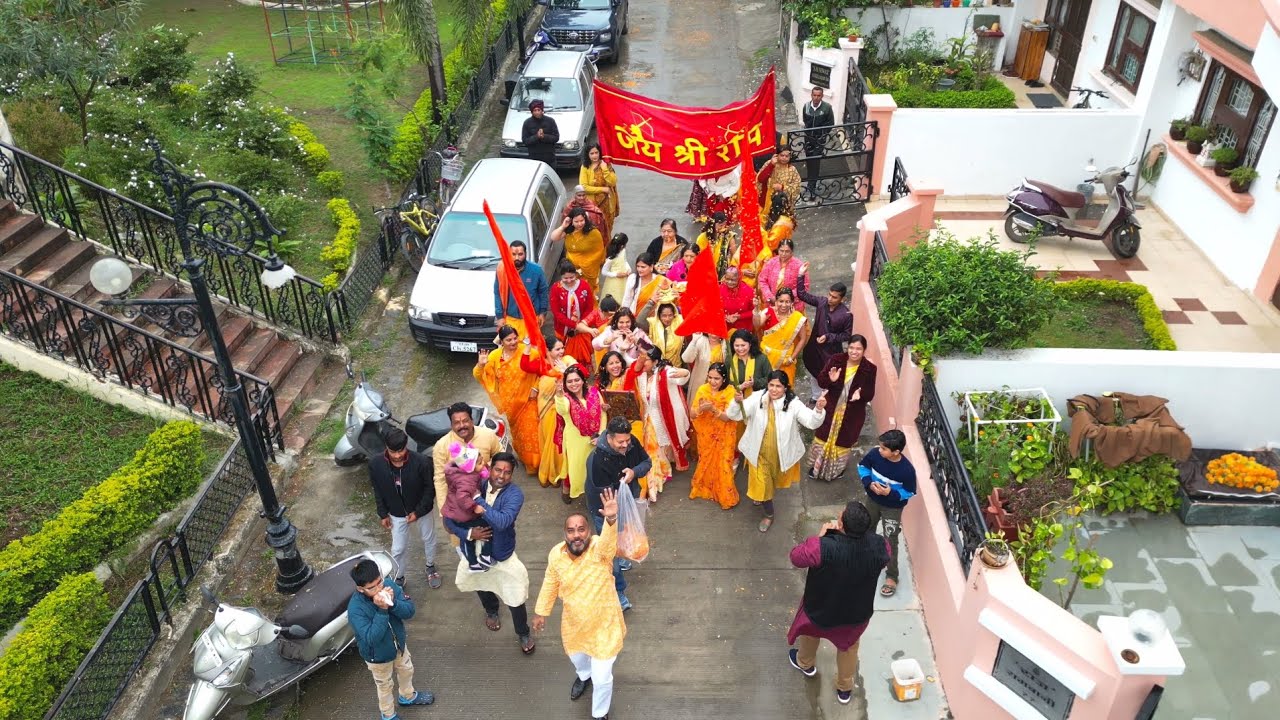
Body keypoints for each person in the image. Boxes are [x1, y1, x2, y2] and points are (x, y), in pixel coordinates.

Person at [533, 488, 627, 720]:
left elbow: (608, 543)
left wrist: (611, 519)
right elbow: (550, 581)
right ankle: (584, 677)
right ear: (565, 533)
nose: (577, 535)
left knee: (603, 677)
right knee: (578, 659)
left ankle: (599, 713)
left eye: (581, 529)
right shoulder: (556, 554)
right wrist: (541, 612)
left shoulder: (599, 550)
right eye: (571, 530)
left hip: (605, 628)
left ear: (589, 532)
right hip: (574, 625)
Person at [786, 500, 890, 705]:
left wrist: (820, 536)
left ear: (841, 525)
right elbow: (885, 557)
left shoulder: (821, 547)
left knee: (810, 635)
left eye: (840, 516)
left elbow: (796, 557)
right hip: (855, 614)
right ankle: (844, 689)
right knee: (849, 649)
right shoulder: (880, 546)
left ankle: (805, 663)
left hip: (820, 609)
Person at [455, 451, 537, 655]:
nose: (501, 475)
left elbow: (502, 522)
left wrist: (478, 501)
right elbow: (451, 520)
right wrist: (468, 533)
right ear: (489, 469)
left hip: (502, 554)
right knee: (481, 585)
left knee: (515, 595)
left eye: (507, 472)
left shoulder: (515, 494)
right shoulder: (476, 484)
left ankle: (523, 632)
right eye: (498, 470)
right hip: (476, 549)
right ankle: (491, 610)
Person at [729, 371, 826, 532]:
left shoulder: (793, 403)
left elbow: (811, 422)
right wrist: (736, 402)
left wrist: (818, 410)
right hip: (758, 454)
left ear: (785, 388)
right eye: (771, 385)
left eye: (778, 386)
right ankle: (769, 515)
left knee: (770, 484)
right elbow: (736, 415)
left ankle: (761, 497)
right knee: (763, 485)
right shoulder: (757, 397)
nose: (774, 390)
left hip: (780, 455)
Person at [348, 559, 434, 719]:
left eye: (379, 582)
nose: (379, 588)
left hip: (399, 646)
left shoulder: (390, 585)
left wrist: (393, 602)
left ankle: (407, 696)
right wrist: (382, 610)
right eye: (371, 587)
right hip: (377, 657)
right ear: (360, 589)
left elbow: (410, 611)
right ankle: (388, 714)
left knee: (407, 670)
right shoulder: (355, 609)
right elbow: (371, 638)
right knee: (385, 686)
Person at [433, 402, 505, 588]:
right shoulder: (442, 446)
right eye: (456, 422)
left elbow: (502, 460)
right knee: (469, 557)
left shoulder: (488, 437)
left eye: (465, 420)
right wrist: (444, 515)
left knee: (493, 549)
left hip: (487, 507)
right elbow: (440, 480)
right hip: (460, 514)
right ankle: (488, 604)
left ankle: (496, 586)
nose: (462, 425)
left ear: (472, 420)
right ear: (451, 425)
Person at [585, 417, 651, 610]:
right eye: (620, 442)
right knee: (609, 551)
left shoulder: (631, 444)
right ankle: (618, 591)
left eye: (627, 441)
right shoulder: (597, 460)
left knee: (624, 535)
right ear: (610, 438)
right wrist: (614, 516)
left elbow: (646, 462)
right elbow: (607, 497)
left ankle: (622, 557)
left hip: (628, 497)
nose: (625, 445)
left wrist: (634, 471)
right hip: (605, 508)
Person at [368, 428, 437, 591]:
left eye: (401, 450)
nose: (397, 455)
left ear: (407, 445)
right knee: (397, 549)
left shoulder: (422, 462)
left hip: (422, 509)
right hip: (396, 512)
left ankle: (430, 566)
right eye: (393, 451)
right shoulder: (375, 464)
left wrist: (418, 512)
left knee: (429, 538)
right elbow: (377, 489)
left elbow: (429, 490)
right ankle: (399, 576)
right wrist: (383, 513)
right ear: (386, 447)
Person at [810, 335, 878, 481]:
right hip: (831, 408)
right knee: (823, 437)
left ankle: (836, 471)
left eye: (858, 349)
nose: (854, 352)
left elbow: (870, 394)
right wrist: (831, 379)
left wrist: (861, 394)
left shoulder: (870, 369)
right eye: (851, 348)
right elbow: (822, 381)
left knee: (842, 442)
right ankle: (816, 468)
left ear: (864, 350)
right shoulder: (836, 360)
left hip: (851, 414)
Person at [859, 429, 917, 598]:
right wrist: (869, 484)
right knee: (866, 529)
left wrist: (890, 494)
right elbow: (863, 467)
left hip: (892, 508)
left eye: (884, 449)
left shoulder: (907, 470)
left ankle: (892, 576)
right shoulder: (874, 455)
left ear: (896, 452)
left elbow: (910, 492)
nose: (879, 450)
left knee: (890, 539)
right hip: (872, 501)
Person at [474, 325, 540, 472]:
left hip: (529, 401)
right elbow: (481, 377)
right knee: (519, 435)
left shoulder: (529, 352)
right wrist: (480, 365)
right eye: (508, 340)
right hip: (510, 405)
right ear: (501, 341)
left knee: (532, 433)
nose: (513, 342)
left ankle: (536, 464)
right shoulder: (494, 357)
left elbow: (542, 372)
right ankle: (525, 460)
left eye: (515, 338)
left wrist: (536, 387)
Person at [635, 345, 690, 502]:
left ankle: (653, 485)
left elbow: (683, 376)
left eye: (645, 360)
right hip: (648, 419)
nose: (642, 362)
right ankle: (654, 480)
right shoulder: (642, 375)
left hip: (664, 419)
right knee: (654, 452)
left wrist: (685, 372)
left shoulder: (665, 372)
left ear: (655, 362)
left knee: (653, 452)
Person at [688, 362, 740, 509]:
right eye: (710, 377)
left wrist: (712, 409)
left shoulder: (730, 392)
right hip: (706, 435)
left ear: (724, 379)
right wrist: (700, 409)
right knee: (706, 460)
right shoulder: (702, 389)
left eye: (716, 378)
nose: (712, 381)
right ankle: (707, 489)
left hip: (725, 435)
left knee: (723, 464)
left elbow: (728, 417)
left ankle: (726, 497)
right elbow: (692, 414)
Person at [526, 338, 575, 488]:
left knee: (558, 442)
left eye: (562, 348)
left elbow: (579, 378)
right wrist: (528, 346)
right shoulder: (544, 363)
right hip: (545, 407)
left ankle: (559, 472)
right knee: (548, 440)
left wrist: (564, 371)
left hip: (561, 407)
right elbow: (528, 367)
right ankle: (549, 473)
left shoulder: (567, 361)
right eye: (557, 349)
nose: (561, 352)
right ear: (549, 351)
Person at [797, 269, 852, 402]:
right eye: (829, 295)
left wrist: (828, 337)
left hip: (830, 352)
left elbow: (846, 335)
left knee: (828, 376)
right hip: (814, 348)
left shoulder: (846, 315)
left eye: (834, 297)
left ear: (842, 299)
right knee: (813, 371)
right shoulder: (821, 303)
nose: (830, 299)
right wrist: (800, 275)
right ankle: (816, 397)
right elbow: (802, 295)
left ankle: (827, 400)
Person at [555, 364, 606, 504]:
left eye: (576, 380)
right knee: (576, 467)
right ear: (565, 384)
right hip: (574, 439)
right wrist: (559, 394)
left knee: (594, 467)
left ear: (583, 380)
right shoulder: (564, 398)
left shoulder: (594, 392)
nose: (574, 384)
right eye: (569, 381)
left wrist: (601, 435)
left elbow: (603, 414)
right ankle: (568, 489)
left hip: (595, 438)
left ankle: (593, 494)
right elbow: (562, 410)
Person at [441, 442, 494, 571]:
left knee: (470, 539)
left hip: (457, 513)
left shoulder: (465, 474)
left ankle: (473, 564)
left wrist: (482, 471)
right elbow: (462, 497)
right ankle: (484, 556)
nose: (483, 465)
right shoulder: (466, 480)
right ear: (470, 467)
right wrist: (475, 507)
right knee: (486, 527)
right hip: (460, 516)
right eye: (480, 463)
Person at [493, 240, 549, 339]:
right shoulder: (502, 270)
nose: (517, 258)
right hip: (510, 319)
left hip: (531, 319)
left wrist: (543, 312)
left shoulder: (536, 270)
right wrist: (500, 316)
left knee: (530, 351)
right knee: (510, 349)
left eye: (520, 254)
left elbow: (543, 292)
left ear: (525, 254)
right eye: (513, 254)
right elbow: (498, 293)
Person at [755, 288, 811, 385]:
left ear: (792, 303)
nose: (784, 305)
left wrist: (792, 358)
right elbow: (756, 326)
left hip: (786, 360)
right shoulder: (768, 312)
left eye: (787, 302)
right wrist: (756, 310)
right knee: (766, 386)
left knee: (785, 387)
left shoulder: (796, 317)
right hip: (767, 358)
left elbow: (803, 338)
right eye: (781, 301)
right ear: (776, 301)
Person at [550, 261, 598, 366]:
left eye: (571, 277)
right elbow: (557, 313)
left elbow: (589, 307)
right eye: (565, 278)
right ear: (561, 277)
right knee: (563, 357)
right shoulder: (556, 289)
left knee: (583, 356)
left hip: (583, 329)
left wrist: (583, 324)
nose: (569, 280)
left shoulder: (584, 285)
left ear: (576, 274)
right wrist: (575, 325)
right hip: (563, 330)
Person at [553, 208, 606, 291]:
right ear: (571, 222)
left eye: (582, 220)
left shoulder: (594, 233)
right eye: (576, 222)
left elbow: (599, 252)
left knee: (585, 292)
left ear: (586, 219)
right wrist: (563, 226)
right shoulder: (568, 231)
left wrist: (583, 266)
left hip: (587, 271)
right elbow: (554, 237)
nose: (580, 224)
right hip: (570, 269)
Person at [801, 86, 835, 199]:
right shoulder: (806, 107)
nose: (816, 98)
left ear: (822, 96)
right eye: (814, 95)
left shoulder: (827, 108)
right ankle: (811, 180)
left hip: (819, 139)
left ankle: (812, 186)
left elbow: (830, 123)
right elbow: (806, 120)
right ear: (811, 95)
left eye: (818, 95)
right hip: (808, 138)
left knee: (815, 161)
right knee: (809, 160)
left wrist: (822, 134)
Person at [759, 239, 809, 313]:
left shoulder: (799, 265)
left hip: (792, 306)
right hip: (773, 304)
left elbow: (805, 286)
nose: (783, 254)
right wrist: (770, 296)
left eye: (787, 251)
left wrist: (786, 299)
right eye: (781, 251)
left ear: (792, 252)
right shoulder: (771, 262)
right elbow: (762, 280)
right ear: (778, 250)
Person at [579, 144, 619, 236]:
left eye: (596, 152)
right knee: (595, 230)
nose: (594, 156)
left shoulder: (606, 164)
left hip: (608, 205)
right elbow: (584, 187)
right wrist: (603, 189)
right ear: (587, 155)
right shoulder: (585, 167)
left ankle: (607, 249)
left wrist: (604, 169)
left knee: (608, 230)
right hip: (593, 206)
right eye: (591, 153)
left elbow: (612, 182)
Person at [621, 252, 670, 320]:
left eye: (643, 267)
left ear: (651, 267)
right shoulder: (633, 278)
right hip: (636, 318)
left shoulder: (661, 280)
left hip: (655, 319)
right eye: (638, 266)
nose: (639, 269)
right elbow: (627, 300)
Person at [726, 328, 773, 399]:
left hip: (758, 399)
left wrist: (755, 382)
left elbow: (771, 379)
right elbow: (724, 381)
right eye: (737, 345)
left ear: (750, 344)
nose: (740, 349)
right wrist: (739, 387)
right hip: (734, 399)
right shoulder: (730, 359)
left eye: (743, 345)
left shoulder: (761, 358)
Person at [757, 146, 802, 218]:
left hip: (783, 202)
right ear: (777, 155)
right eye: (782, 155)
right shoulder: (770, 163)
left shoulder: (792, 169)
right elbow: (760, 179)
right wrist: (771, 165)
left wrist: (782, 187)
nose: (784, 158)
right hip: (766, 201)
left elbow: (796, 186)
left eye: (787, 156)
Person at [681, 330, 725, 399]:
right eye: (711, 331)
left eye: (716, 332)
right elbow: (686, 359)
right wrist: (694, 341)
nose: (714, 335)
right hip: (700, 382)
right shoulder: (701, 341)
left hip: (718, 385)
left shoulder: (725, 344)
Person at [696, 212, 739, 279]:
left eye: (724, 225)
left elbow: (735, 256)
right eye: (720, 225)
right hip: (706, 271)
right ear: (713, 224)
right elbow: (698, 256)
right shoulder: (702, 237)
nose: (723, 227)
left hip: (723, 272)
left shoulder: (729, 236)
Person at [522, 99, 559, 166]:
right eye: (535, 110)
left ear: (542, 110)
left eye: (538, 110)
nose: (537, 112)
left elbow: (556, 137)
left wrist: (544, 136)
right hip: (534, 159)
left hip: (549, 159)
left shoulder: (550, 121)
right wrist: (536, 137)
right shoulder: (527, 123)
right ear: (532, 112)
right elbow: (525, 141)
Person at [647, 301, 683, 368]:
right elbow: (639, 322)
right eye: (664, 315)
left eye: (670, 315)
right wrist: (651, 302)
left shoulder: (679, 321)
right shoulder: (653, 323)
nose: (667, 319)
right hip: (655, 367)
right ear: (659, 315)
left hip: (675, 368)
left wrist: (680, 299)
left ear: (674, 314)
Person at [720, 267, 755, 333]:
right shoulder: (720, 289)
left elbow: (754, 311)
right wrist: (724, 316)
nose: (729, 282)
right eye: (727, 279)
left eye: (733, 280)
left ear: (739, 278)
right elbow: (713, 308)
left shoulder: (749, 291)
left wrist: (739, 316)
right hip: (723, 328)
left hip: (742, 331)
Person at [598, 234, 631, 303]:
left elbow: (624, 261)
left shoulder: (623, 251)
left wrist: (628, 269)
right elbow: (604, 271)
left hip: (623, 279)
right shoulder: (610, 258)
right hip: (613, 282)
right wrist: (616, 274)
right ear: (622, 246)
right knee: (615, 298)